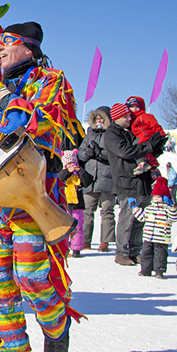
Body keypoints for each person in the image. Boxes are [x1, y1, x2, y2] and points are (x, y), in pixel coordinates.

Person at [0, 21, 85, 352]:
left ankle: (57, 326)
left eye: (6, 44)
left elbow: (27, 125)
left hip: (34, 195)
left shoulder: (51, 81)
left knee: (31, 276)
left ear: (29, 48)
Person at [104, 101, 167, 266]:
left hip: (142, 181)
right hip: (126, 182)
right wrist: (148, 145)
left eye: (129, 115)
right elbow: (126, 152)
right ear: (117, 118)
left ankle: (134, 251)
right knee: (127, 218)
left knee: (140, 220)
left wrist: (156, 145)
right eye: (125, 116)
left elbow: (145, 152)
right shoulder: (112, 134)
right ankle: (121, 253)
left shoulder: (129, 131)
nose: (129, 118)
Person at [77, 106, 115, 252]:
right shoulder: (90, 134)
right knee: (87, 210)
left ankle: (105, 241)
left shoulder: (112, 135)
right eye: (96, 118)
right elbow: (80, 154)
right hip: (90, 179)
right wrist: (87, 153)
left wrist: (101, 153)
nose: (99, 121)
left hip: (107, 178)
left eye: (102, 118)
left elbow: (114, 154)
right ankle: (86, 240)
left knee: (107, 211)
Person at [132, 177, 177, 278]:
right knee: (146, 254)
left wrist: (171, 206)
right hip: (148, 236)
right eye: (155, 196)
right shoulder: (149, 208)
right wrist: (135, 208)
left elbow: (175, 218)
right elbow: (142, 217)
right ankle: (145, 270)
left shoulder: (167, 209)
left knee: (160, 255)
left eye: (159, 197)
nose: (156, 199)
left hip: (162, 238)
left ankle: (159, 271)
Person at [60, 150, 93, 258]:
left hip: (77, 204)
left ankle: (76, 248)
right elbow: (60, 178)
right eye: (69, 164)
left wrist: (80, 170)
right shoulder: (63, 173)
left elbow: (88, 181)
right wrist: (67, 171)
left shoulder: (78, 174)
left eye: (73, 164)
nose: (71, 166)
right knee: (64, 227)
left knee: (78, 227)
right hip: (65, 204)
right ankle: (63, 247)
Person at [125, 96, 165, 176]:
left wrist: (161, 134)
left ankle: (142, 163)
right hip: (140, 136)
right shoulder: (131, 120)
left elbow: (154, 125)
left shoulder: (144, 116)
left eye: (136, 107)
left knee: (136, 147)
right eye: (132, 107)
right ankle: (153, 168)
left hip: (146, 135)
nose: (134, 109)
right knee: (139, 148)